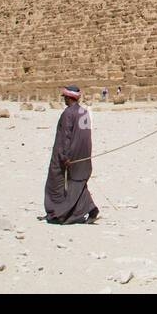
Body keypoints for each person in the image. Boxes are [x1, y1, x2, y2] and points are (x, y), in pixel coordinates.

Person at [44, 85, 99, 224]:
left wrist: (65, 156)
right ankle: (89, 208)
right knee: (77, 182)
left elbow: (65, 136)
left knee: (56, 182)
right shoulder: (84, 112)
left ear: (69, 98)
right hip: (83, 154)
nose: (64, 101)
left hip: (67, 155)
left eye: (65, 98)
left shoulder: (68, 113)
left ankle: (58, 212)